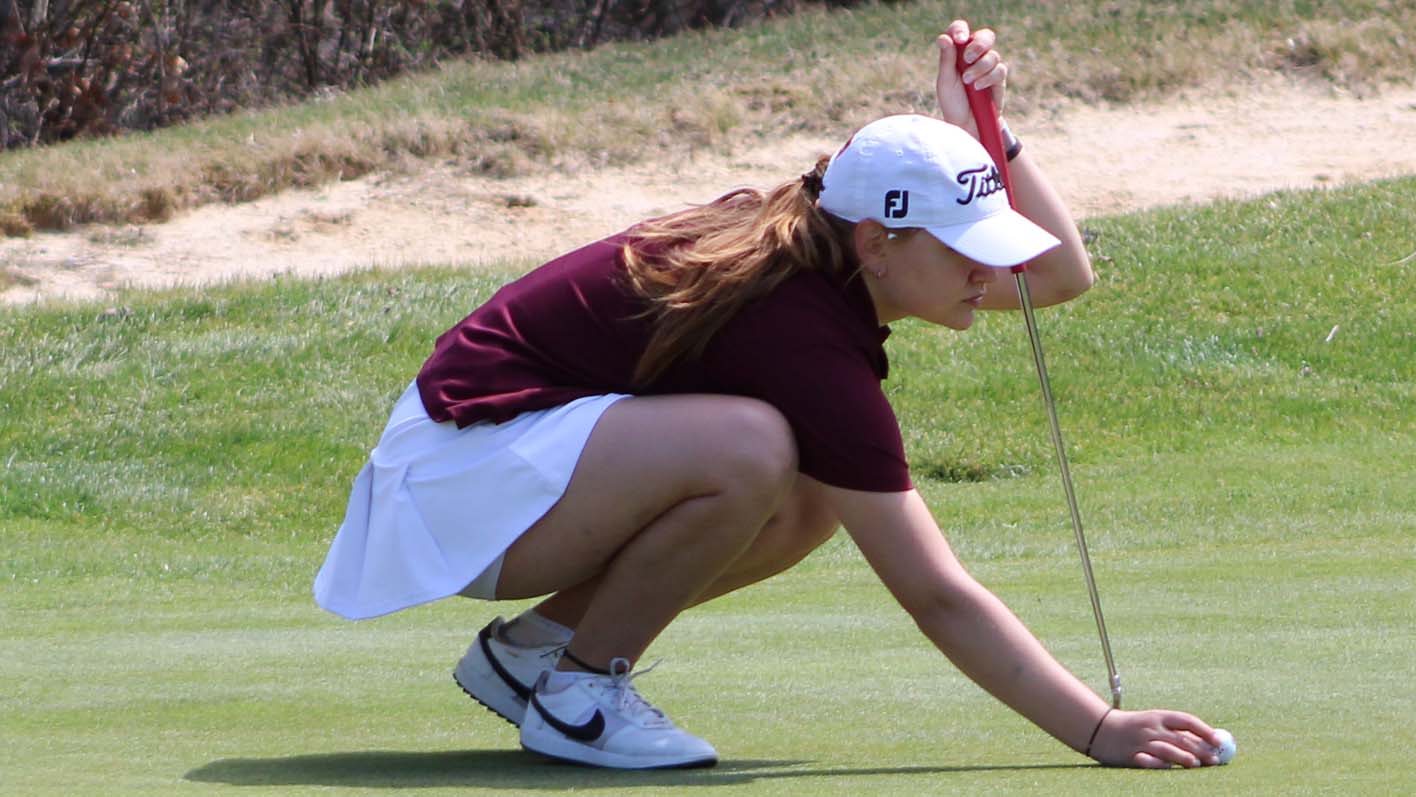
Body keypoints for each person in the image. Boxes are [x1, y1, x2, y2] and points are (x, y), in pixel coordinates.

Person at [314, 20, 1228, 771]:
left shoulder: (824, 255)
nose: (989, 269)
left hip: (505, 473)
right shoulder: (799, 328)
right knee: (750, 448)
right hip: (452, 483)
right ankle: (581, 698)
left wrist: (988, 135)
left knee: (808, 497)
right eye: (963, 245)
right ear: (877, 242)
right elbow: (935, 593)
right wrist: (1096, 728)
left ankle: (535, 655)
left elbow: (1062, 275)